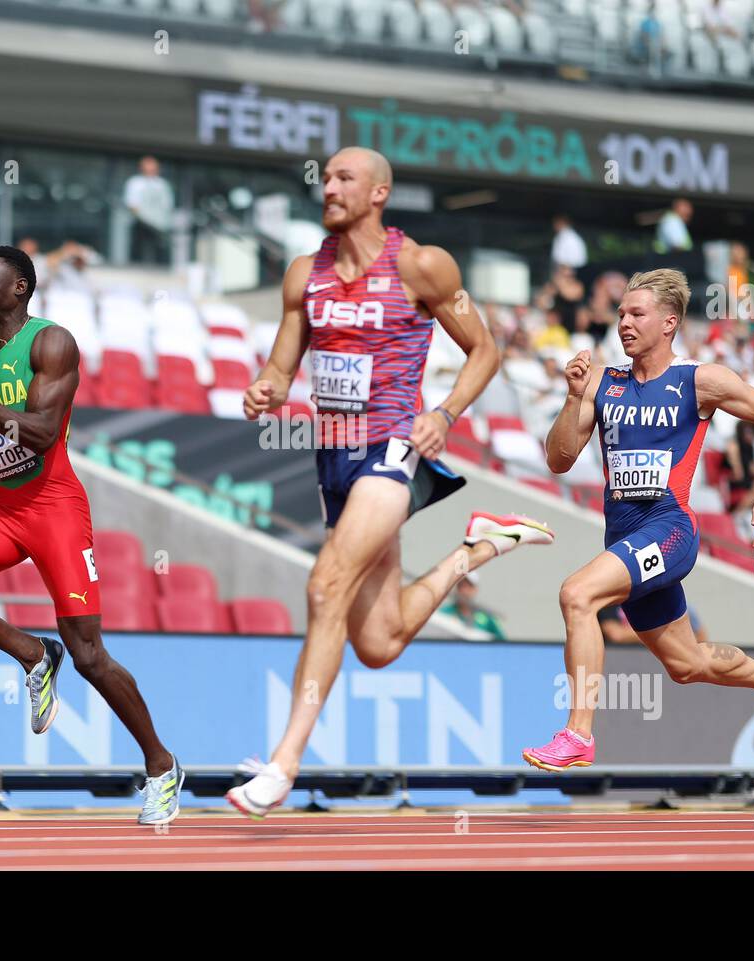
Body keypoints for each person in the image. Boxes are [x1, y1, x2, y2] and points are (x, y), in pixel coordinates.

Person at [227, 147, 554, 817]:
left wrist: (444, 412)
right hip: (333, 460)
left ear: (379, 193)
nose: (330, 187)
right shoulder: (303, 275)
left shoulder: (421, 264)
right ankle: (476, 548)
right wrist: (266, 388)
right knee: (376, 643)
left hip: (392, 451)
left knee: (325, 585)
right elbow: (282, 368)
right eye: (327, 177)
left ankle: (284, 762)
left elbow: (485, 348)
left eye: (346, 177)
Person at [0, 245, 184, 825]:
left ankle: (161, 767)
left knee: (89, 655)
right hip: (1, 509)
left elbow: (42, 433)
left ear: (21, 287)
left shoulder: (53, 343)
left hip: (54, 510)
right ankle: (31, 653)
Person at [521, 268, 754, 773]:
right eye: (620, 313)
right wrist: (574, 397)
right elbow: (558, 460)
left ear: (669, 323)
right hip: (624, 536)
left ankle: (578, 734)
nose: (623, 323)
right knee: (689, 665)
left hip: (669, 530)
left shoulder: (698, 381)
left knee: (577, 594)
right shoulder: (603, 383)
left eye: (636, 314)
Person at [122, 155, 174, 266]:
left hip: (159, 226)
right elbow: (132, 204)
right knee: (138, 254)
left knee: (160, 255)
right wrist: (144, 219)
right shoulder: (135, 183)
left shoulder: (163, 184)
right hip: (141, 223)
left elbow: (167, 206)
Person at [441, 572, 506, 639]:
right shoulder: (444, 613)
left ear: (475, 589)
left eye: (469, 586)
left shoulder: (487, 617)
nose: (464, 591)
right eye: (461, 586)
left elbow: (502, 643)